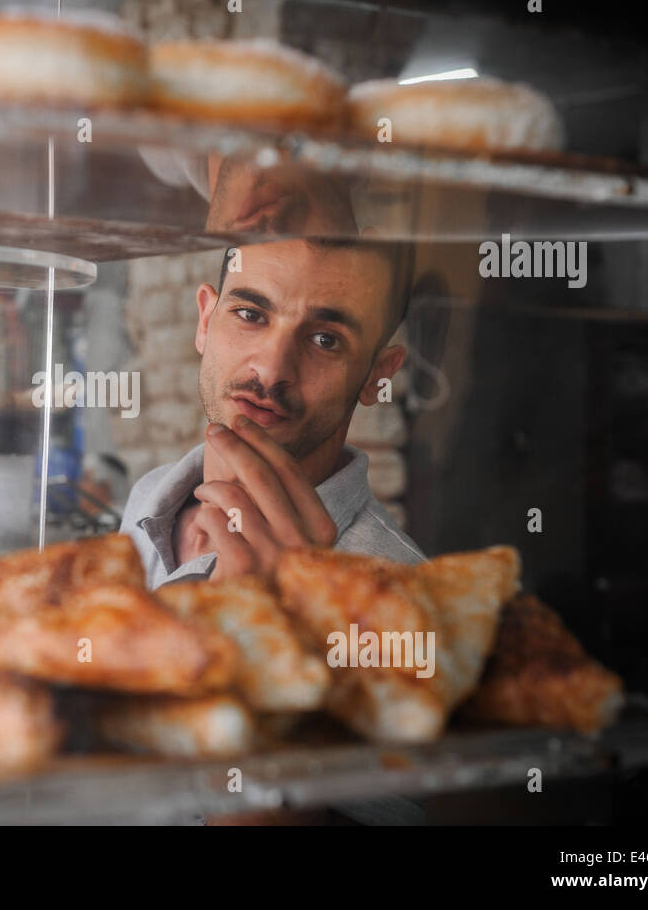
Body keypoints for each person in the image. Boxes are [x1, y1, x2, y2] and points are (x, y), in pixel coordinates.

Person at [121, 153, 424, 588]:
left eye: (325, 340)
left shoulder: (398, 593)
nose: (271, 369)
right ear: (206, 320)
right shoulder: (149, 497)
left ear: (379, 374)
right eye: (250, 314)